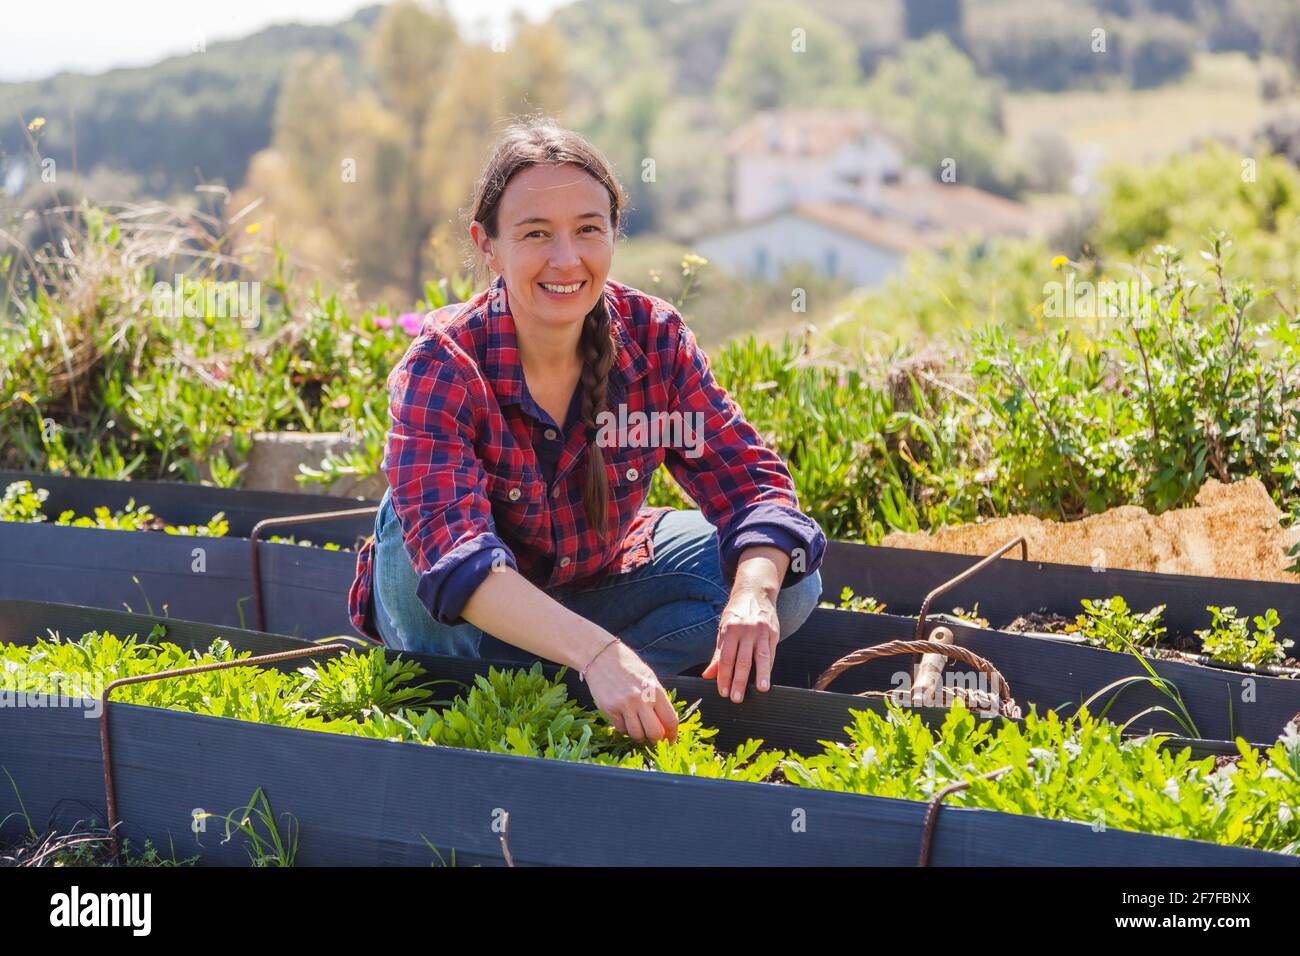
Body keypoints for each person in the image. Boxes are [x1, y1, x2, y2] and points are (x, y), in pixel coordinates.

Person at [348, 116, 826, 743]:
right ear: (487, 243)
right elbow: (455, 559)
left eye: (588, 230)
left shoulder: (652, 337)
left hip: (586, 587)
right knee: (418, 562)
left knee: (787, 579)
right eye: (536, 233)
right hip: (462, 616)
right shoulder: (445, 364)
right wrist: (600, 654)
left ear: (614, 233)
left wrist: (753, 596)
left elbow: (752, 485)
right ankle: (573, 681)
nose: (565, 259)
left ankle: (556, 693)